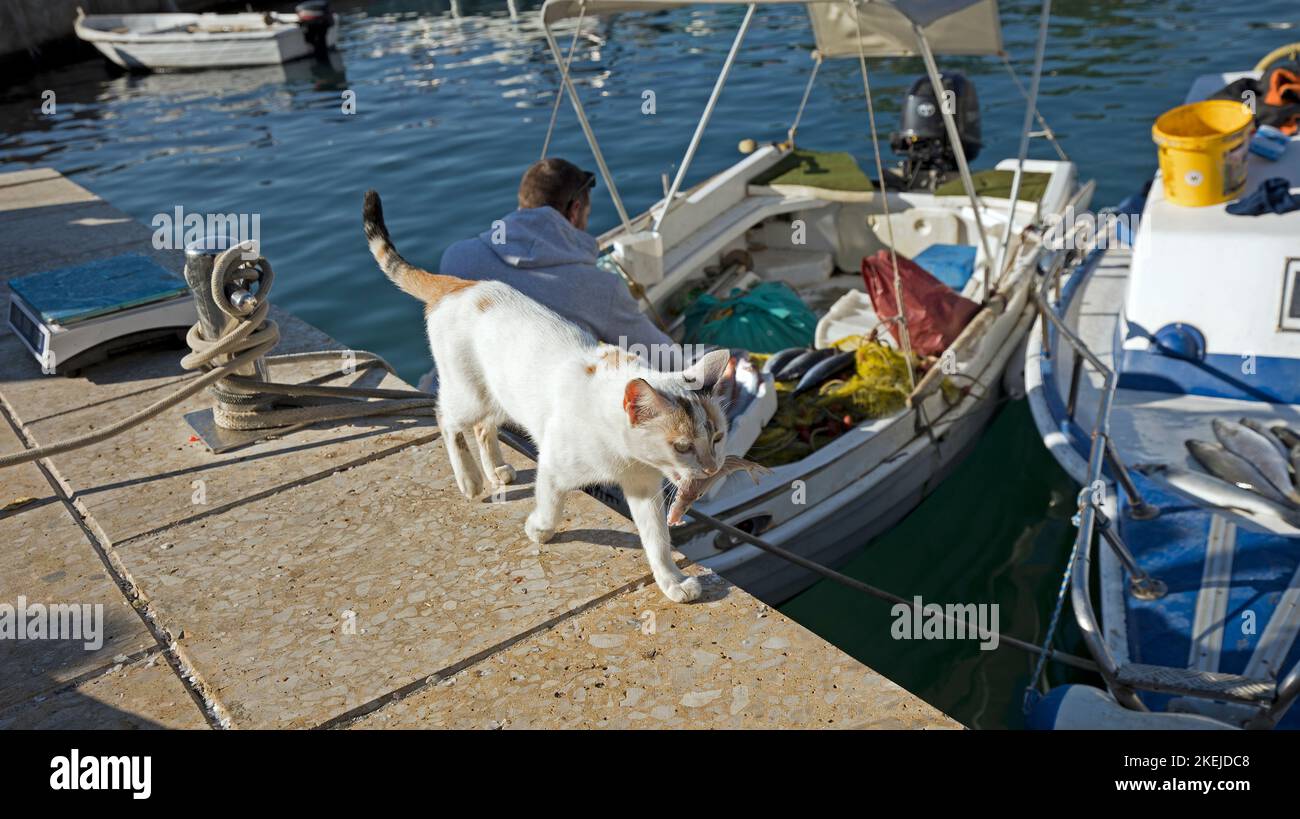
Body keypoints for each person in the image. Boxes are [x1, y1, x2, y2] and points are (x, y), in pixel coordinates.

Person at [436, 158, 674, 364]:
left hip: (447, 403)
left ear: (522, 204)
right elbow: (664, 359)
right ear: (575, 210)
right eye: (587, 216)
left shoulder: (457, 258)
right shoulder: (600, 289)